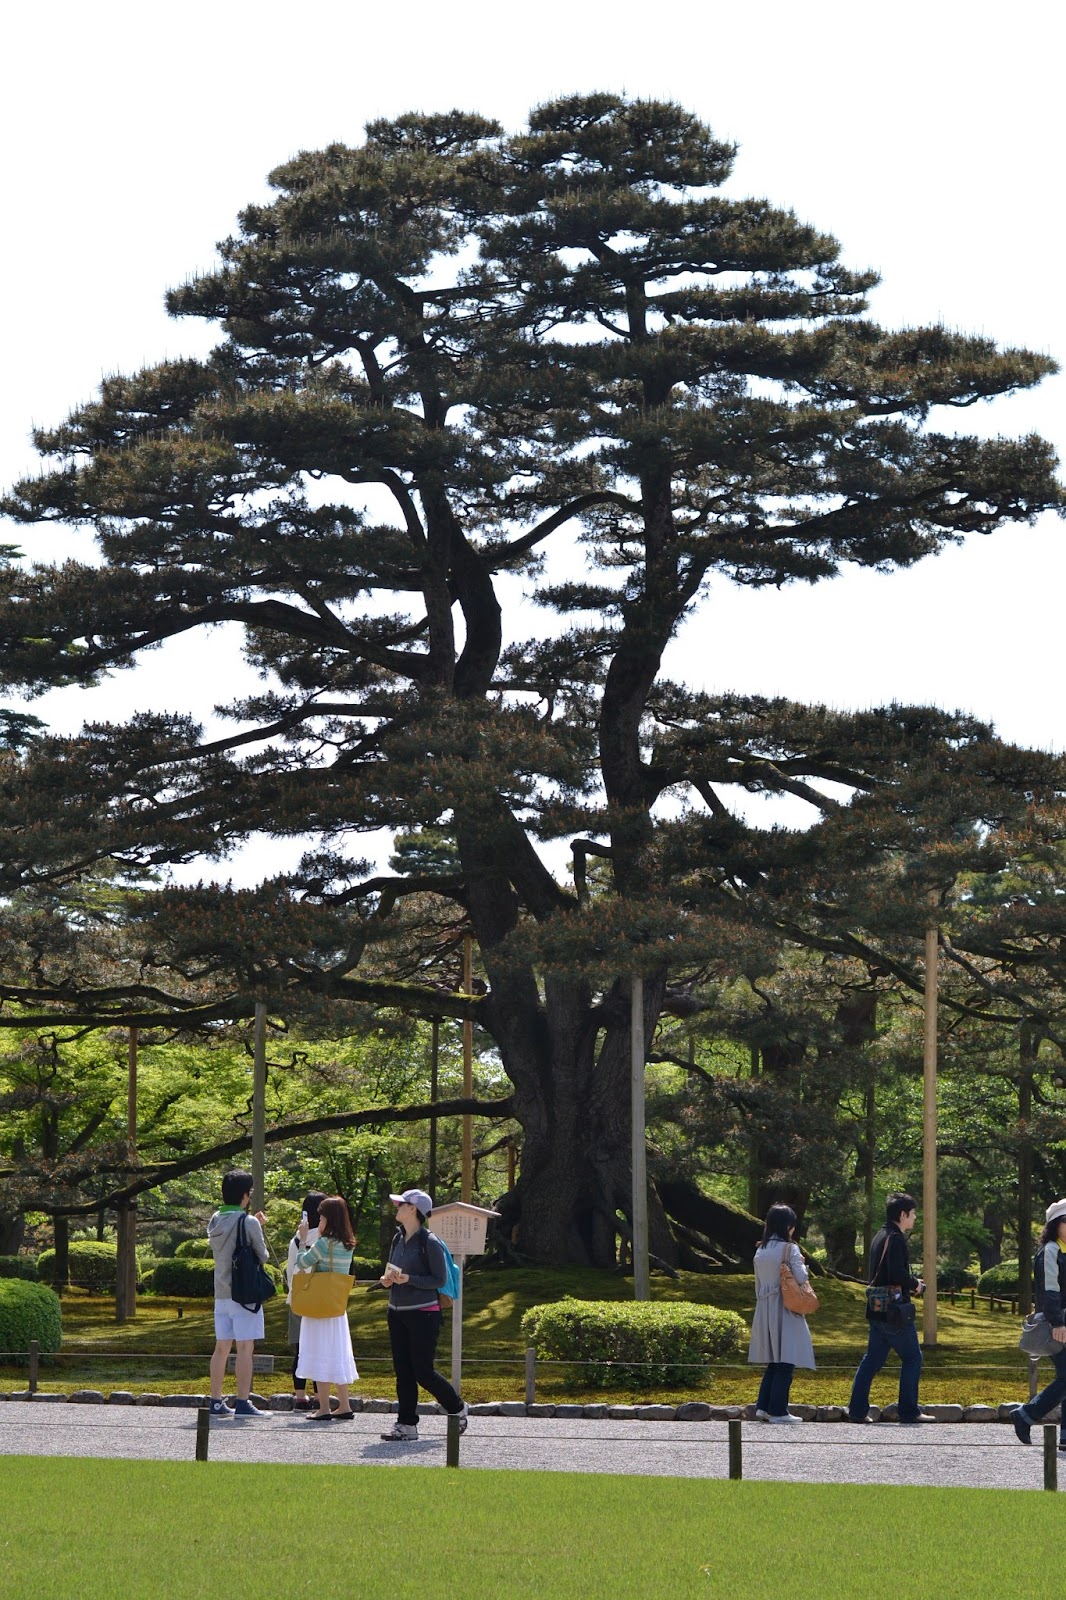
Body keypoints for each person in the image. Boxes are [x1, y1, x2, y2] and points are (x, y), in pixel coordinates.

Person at [378, 1187, 469, 1443]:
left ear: (414, 1210)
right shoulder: (398, 1239)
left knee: (423, 1371)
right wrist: (388, 1280)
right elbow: (393, 1271)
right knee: (403, 1372)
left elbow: (439, 1279)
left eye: (401, 1204)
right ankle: (406, 1424)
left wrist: (410, 1279)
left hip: (424, 1314)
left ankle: (457, 1407)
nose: (397, 1208)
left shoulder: (429, 1242)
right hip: (396, 1312)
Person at [847, 1192, 934, 1425]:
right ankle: (908, 1410)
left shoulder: (879, 1235)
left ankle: (856, 1410)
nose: (915, 1218)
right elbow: (896, 1273)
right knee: (912, 1357)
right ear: (902, 1214)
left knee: (872, 1360)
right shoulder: (895, 1238)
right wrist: (916, 1284)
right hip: (894, 1310)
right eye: (913, 1214)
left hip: (877, 1306)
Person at [207, 1168, 271, 1419]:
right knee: (245, 1348)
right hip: (244, 1293)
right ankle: (243, 1401)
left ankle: (215, 1401)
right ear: (245, 1195)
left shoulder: (214, 1220)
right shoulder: (249, 1221)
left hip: (221, 1292)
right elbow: (262, 1255)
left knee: (221, 1347)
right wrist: (257, 1226)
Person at [293, 1194, 359, 1420]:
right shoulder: (349, 1244)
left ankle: (323, 1408)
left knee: (320, 1352)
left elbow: (302, 1263)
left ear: (328, 1219)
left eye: (321, 1218)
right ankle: (344, 1405)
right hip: (337, 1307)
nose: (318, 1222)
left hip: (319, 1307)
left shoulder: (323, 1243)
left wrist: (303, 1240)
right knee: (337, 1353)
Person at [747, 1204, 815, 1423]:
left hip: (765, 1307)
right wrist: (803, 1265)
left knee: (773, 1361)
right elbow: (801, 1278)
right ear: (788, 1226)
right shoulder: (790, 1249)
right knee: (786, 1360)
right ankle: (778, 1411)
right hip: (786, 1306)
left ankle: (763, 1407)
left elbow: (758, 1283)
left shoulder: (761, 1249)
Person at [1012, 1198, 1066, 1450]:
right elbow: (1050, 1291)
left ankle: (1063, 1435)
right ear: (1055, 1224)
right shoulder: (1051, 1251)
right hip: (1059, 1322)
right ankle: (1026, 1415)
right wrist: (1057, 1322)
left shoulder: (1063, 1250)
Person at [285, 1190, 325, 1411]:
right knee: (318, 1348)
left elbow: (292, 1270)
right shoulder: (320, 1239)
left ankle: (300, 1396)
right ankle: (320, 1396)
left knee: (301, 1350)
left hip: (297, 1299)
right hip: (316, 1299)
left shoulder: (296, 1238)